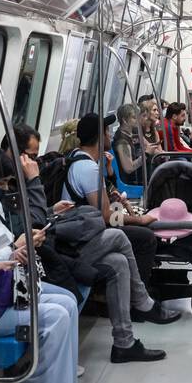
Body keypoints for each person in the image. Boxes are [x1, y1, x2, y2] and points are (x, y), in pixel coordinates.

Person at [0, 149, 81, 383]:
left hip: (0, 285)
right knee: (56, 315)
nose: (5, 190)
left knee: (68, 303)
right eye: (1, 183)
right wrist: (7, 257)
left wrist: (18, 246)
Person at [59, 113, 174, 362]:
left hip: (82, 237)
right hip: (76, 246)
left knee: (119, 264)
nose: (110, 136)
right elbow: (106, 218)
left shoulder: (80, 161)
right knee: (128, 237)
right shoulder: (88, 168)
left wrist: (110, 174)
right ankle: (142, 301)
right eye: (107, 133)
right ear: (99, 137)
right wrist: (140, 220)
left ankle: (124, 343)